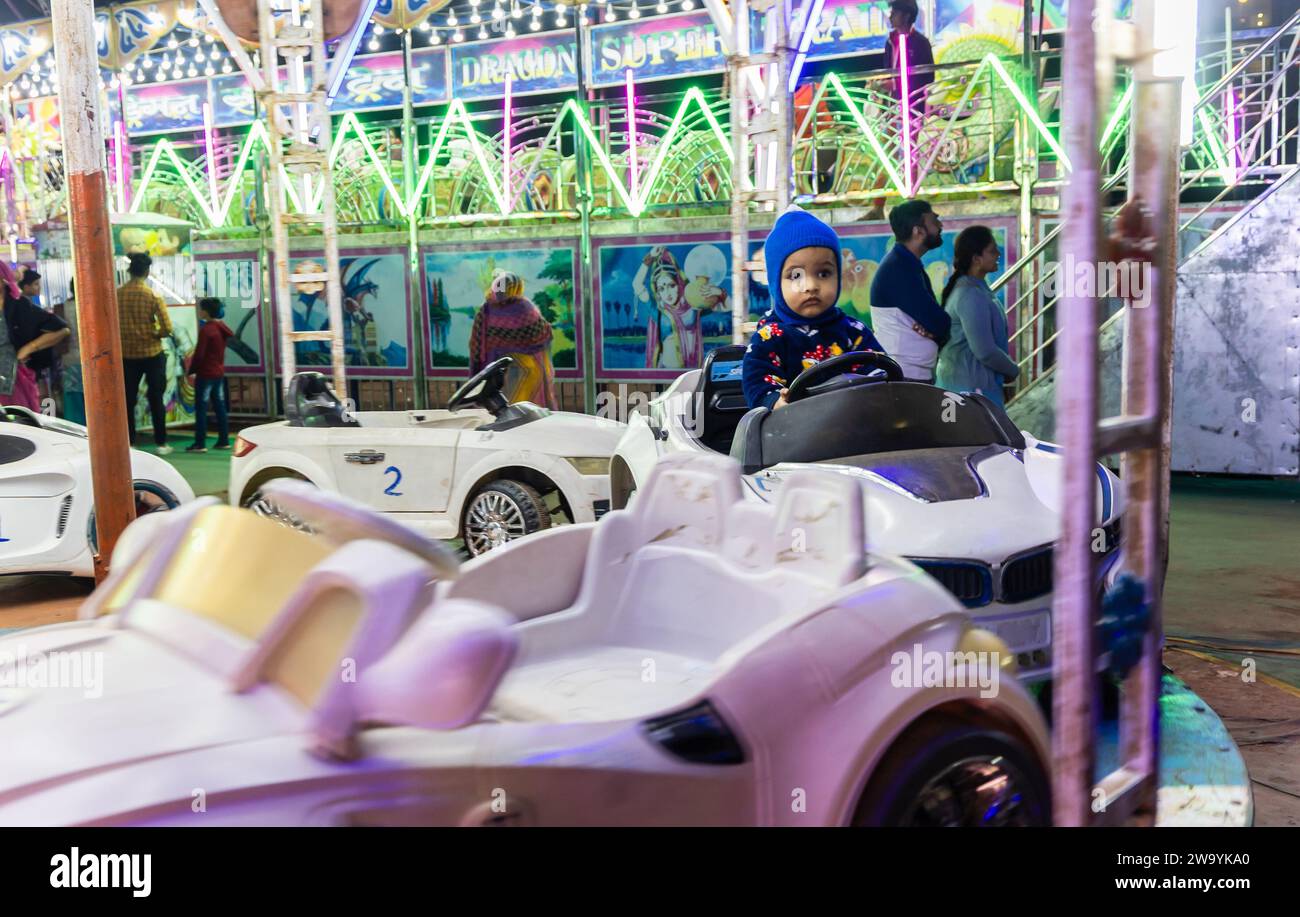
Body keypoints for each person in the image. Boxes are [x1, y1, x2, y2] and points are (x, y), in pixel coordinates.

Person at [742, 209, 884, 410]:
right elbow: (757, 381)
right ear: (776, 283)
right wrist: (775, 401)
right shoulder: (770, 337)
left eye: (824, 273)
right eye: (796, 276)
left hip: (855, 429)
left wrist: (882, 389)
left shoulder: (853, 332)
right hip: (794, 433)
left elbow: (879, 371)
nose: (810, 286)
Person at [936, 226, 1020, 408]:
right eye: (991, 251)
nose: (998, 253)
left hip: (974, 388)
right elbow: (985, 351)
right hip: (968, 393)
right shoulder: (969, 294)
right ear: (976, 259)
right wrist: (1012, 370)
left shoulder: (976, 289)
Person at [869, 198, 951, 382]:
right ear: (918, 231)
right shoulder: (899, 268)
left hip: (910, 373)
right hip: (904, 377)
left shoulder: (905, 263)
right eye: (934, 220)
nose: (940, 225)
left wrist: (935, 331)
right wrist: (936, 330)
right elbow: (940, 323)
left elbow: (937, 324)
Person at [468, 269, 558, 409]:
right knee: (522, 416)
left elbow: (477, 346)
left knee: (498, 415)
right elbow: (542, 334)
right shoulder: (523, 307)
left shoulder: (485, 309)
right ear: (517, 286)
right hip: (523, 373)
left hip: (493, 373)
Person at [118, 252, 175, 454]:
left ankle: (130, 442)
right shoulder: (153, 296)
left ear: (129, 271)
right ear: (147, 271)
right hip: (152, 353)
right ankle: (161, 443)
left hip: (126, 356)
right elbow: (167, 328)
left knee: (128, 400)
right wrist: (153, 332)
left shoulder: (118, 295)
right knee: (156, 398)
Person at [0, 262, 68, 411]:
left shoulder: (19, 305)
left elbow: (61, 329)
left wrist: (29, 348)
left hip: (15, 381)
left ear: (3, 280)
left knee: (19, 427)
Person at [186, 297, 233, 453]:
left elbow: (199, 355)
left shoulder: (207, 330)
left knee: (201, 407)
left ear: (205, 311)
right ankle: (224, 440)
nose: (199, 311)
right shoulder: (221, 328)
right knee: (219, 406)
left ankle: (200, 443)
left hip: (205, 373)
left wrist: (191, 370)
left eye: (200, 309)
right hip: (218, 372)